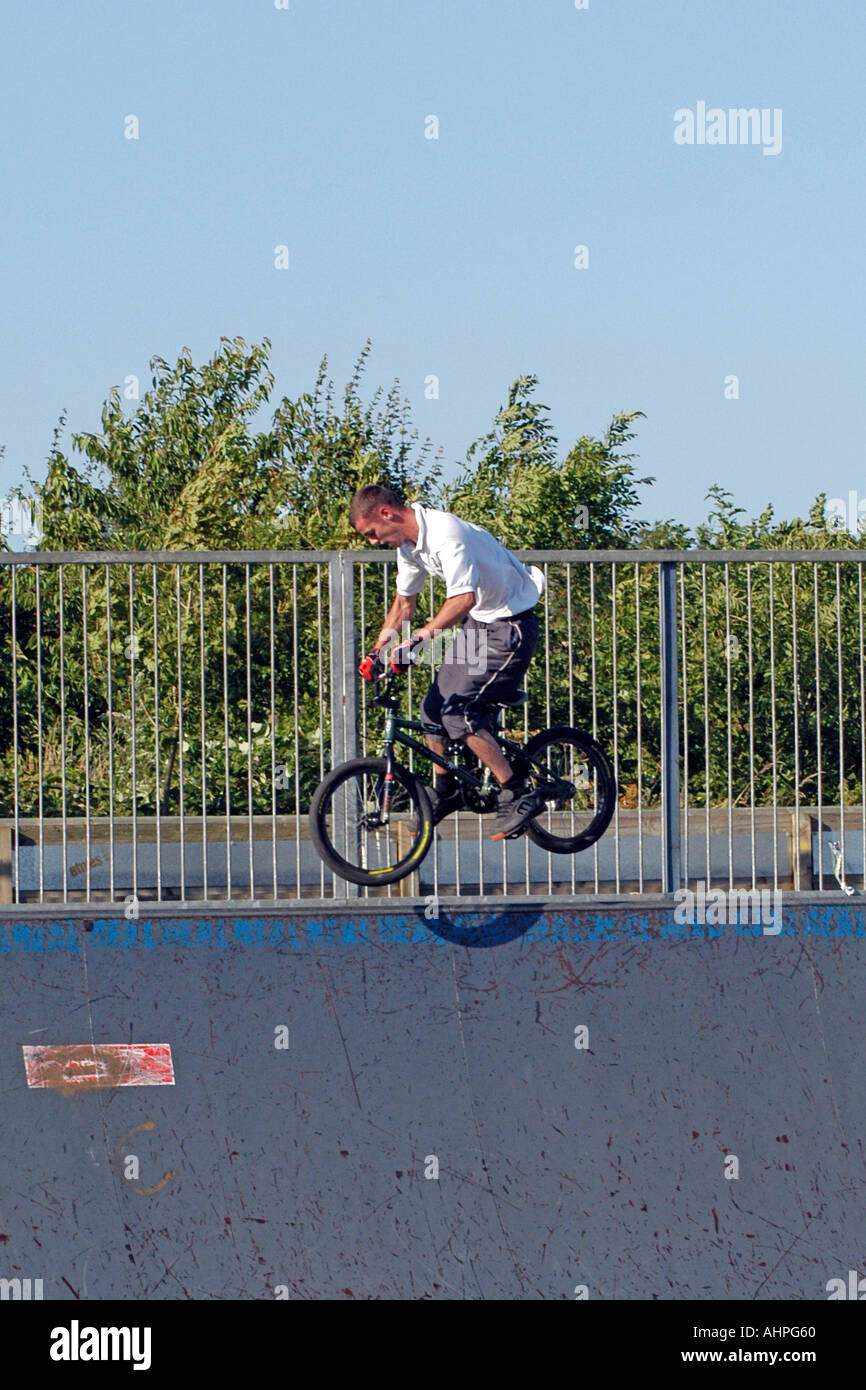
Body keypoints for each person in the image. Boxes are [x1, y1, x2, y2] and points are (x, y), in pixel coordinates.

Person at [350, 484, 546, 840]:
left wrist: (420, 638)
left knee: (459, 714)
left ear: (386, 514)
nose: (375, 542)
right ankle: (447, 791)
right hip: (481, 625)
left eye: (372, 534)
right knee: (432, 710)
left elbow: (463, 598)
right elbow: (403, 605)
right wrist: (377, 651)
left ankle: (517, 791)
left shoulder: (445, 534)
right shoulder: (410, 547)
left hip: (510, 625)